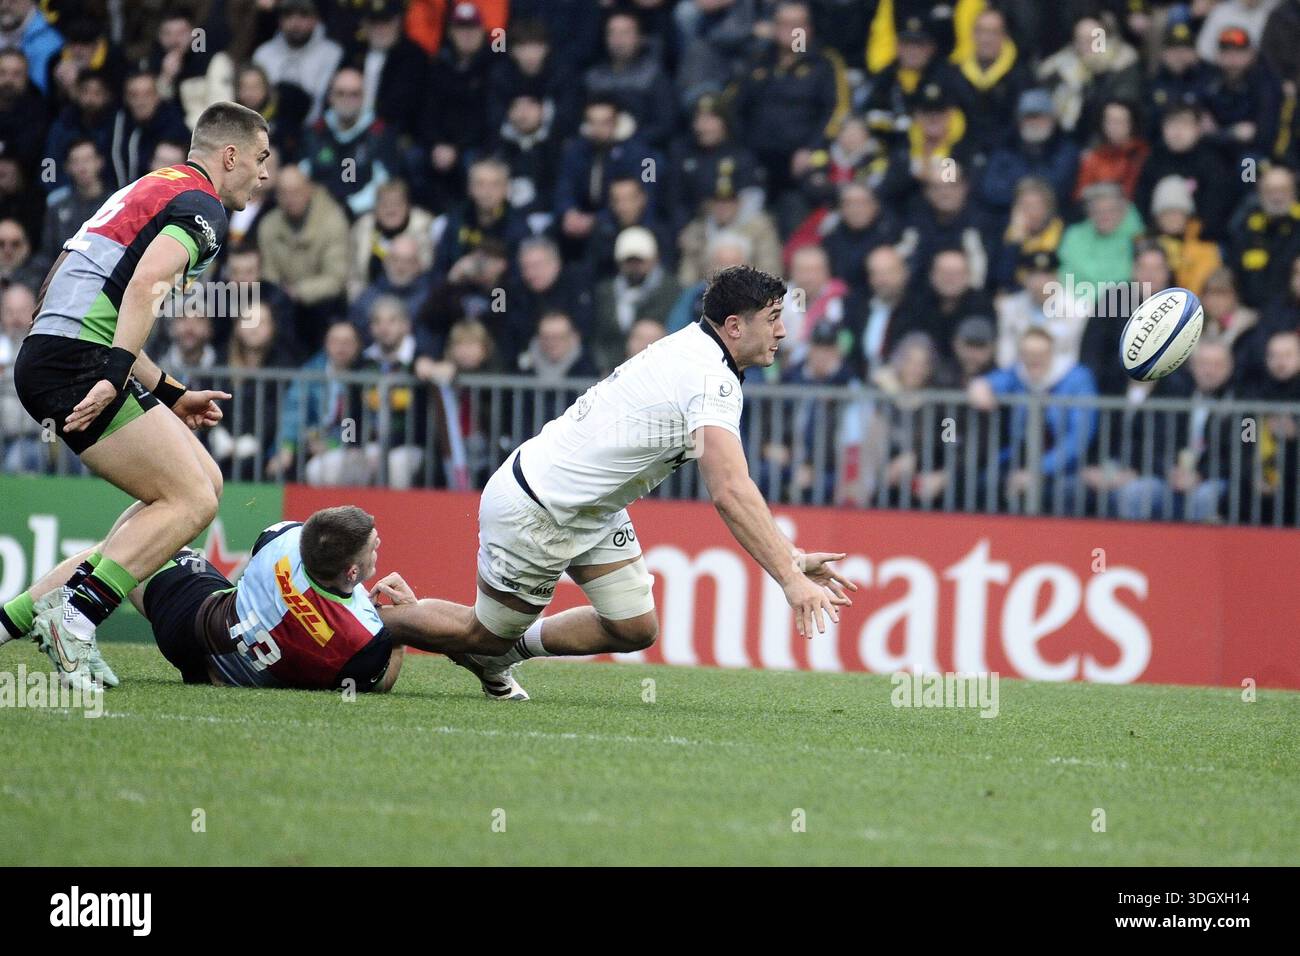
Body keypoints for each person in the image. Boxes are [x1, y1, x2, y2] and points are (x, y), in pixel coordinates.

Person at [377, 265, 856, 701]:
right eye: (773, 317)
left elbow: (735, 487)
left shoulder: (700, 351)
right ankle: (358, 622)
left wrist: (790, 557)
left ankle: (501, 655)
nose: (783, 329)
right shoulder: (711, 378)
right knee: (478, 633)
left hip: (591, 508)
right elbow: (730, 490)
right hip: (539, 509)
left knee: (634, 629)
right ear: (734, 326)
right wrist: (790, 579)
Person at [3, 102, 268, 691]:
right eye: (260, 158)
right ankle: (75, 618)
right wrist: (110, 369)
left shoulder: (154, 186)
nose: (264, 173)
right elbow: (147, 287)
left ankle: (19, 617)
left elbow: (108, 295)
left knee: (200, 484)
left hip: (62, 349)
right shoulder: (203, 209)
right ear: (231, 156)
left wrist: (170, 392)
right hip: (76, 362)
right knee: (192, 501)